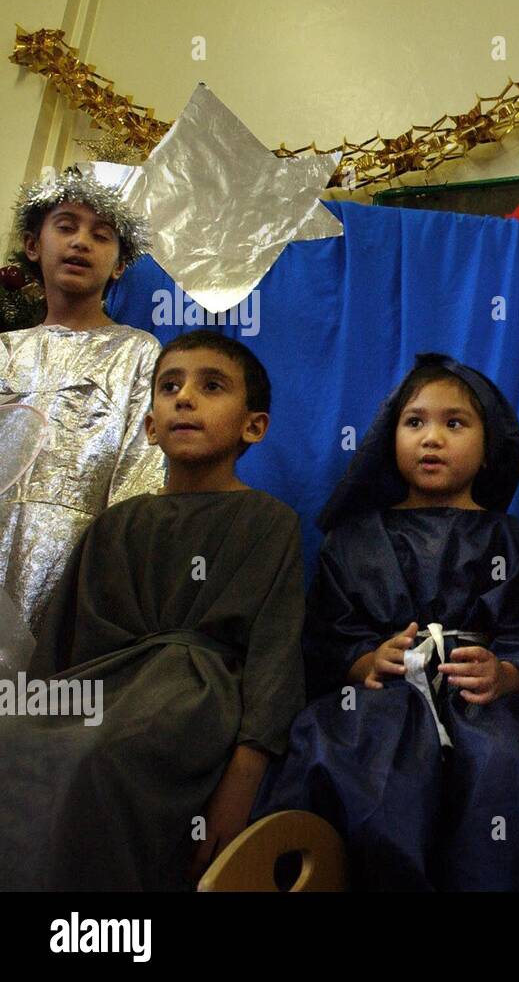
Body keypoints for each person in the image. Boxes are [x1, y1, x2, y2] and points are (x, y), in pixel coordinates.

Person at [254, 354, 519, 891]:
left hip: (482, 707)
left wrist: (506, 672)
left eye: (454, 423)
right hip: (381, 704)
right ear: (391, 438)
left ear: (489, 448)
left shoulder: (510, 540)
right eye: (415, 422)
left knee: (501, 762)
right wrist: (364, 659)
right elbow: (326, 635)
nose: (431, 438)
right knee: (342, 752)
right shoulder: (352, 542)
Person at [0, 330, 304, 890]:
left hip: (196, 700)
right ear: (149, 426)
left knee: (102, 754)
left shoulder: (268, 521)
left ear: (253, 426)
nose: (185, 398)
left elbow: (276, 656)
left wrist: (244, 774)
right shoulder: (115, 524)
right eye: (170, 387)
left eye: (211, 386)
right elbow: (64, 652)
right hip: (108, 690)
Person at [0, 169, 164, 647]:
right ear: (34, 245)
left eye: (101, 235)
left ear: (118, 265)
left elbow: (141, 473)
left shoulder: (139, 353)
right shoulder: (5, 350)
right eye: (66, 226)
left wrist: (106, 571)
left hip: (79, 561)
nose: (81, 243)